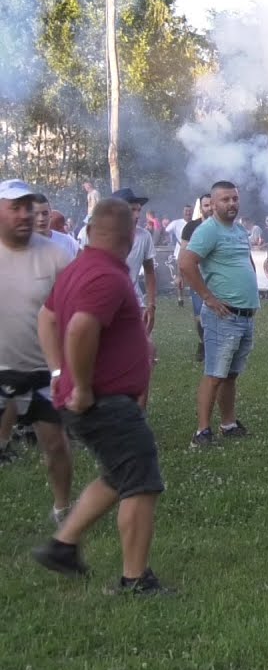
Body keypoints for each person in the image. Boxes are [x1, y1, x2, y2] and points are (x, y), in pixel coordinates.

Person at [31, 196, 170, 595]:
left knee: (117, 474)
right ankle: (134, 578)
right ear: (129, 239)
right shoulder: (108, 276)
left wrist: (59, 372)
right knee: (141, 482)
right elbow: (79, 328)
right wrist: (83, 386)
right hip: (104, 401)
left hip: (89, 398)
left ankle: (63, 545)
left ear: (90, 232)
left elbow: (47, 317)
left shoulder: (79, 267)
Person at [0, 179, 75, 522]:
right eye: (14, 207)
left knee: (56, 447)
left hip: (45, 371)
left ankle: (62, 509)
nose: (24, 215)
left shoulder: (56, 256)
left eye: (27, 207)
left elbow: (75, 315)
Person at [179, 181, 257, 448]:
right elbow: (186, 262)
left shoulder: (238, 231)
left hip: (244, 315)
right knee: (214, 374)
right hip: (223, 316)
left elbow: (246, 263)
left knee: (230, 375)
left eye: (235, 198)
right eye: (225, 200)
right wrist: (208, 298)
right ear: (213, 203)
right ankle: (201, 432)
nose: (232, 204)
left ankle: (228, 424)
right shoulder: (208, 230)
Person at [111, 189, 158, 335]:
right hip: (104, 302)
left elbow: (150, 271)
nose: (137, 215)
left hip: (134, 302)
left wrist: (151, 305)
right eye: (132, 210)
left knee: (139, 351)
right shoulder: (95, 234)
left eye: (139, 210)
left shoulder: (144, 236)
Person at [180, 194, 214, 361]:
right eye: (206, 205)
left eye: (211, 205)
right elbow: (183, 253)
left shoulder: (222, 226)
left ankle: (214, 345)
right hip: (197, 276)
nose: (209, 208)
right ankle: (202, 343)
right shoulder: (191, 227)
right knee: (200, 315)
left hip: (216, 277)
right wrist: (180, 275)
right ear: (201, 208)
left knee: (217, 313)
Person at [31, 193, 79, 260]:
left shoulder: (66, 242)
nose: (41, 218)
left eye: (45, 213)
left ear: (50, 213)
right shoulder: (23, 245)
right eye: (36, 214)